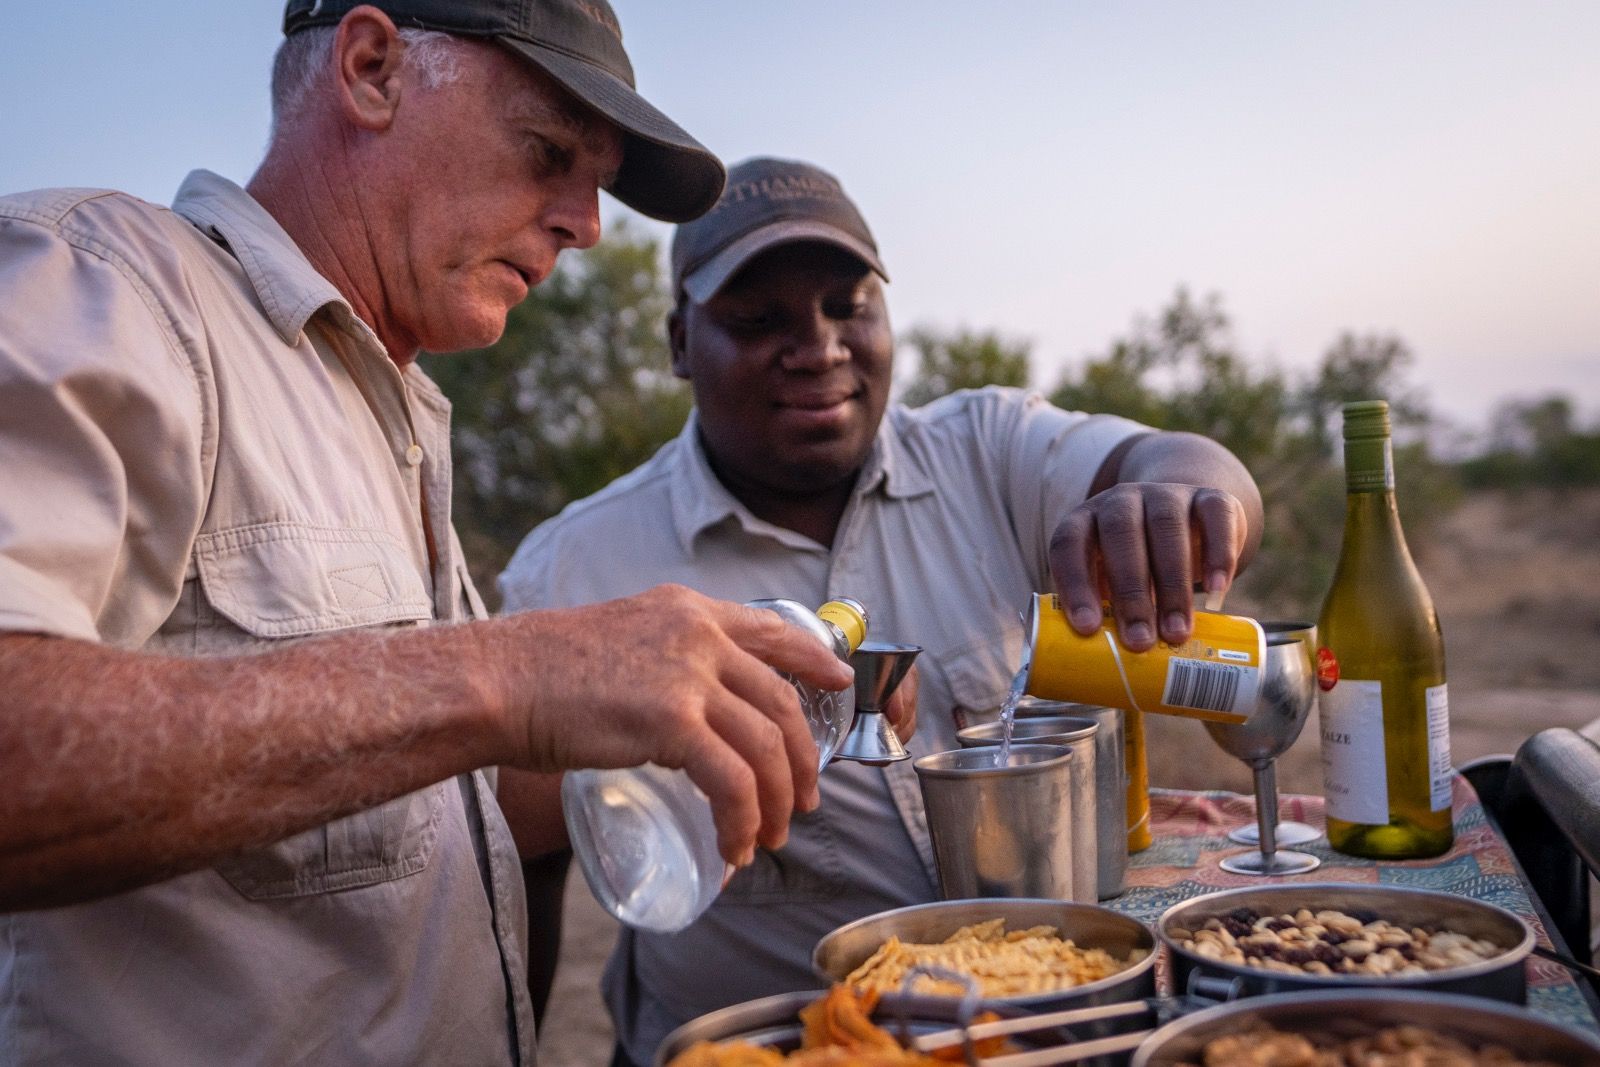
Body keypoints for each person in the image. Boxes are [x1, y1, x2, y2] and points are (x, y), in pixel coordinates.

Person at [0, 7, 855, 1065]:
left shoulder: (389, 406)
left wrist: (679, 718)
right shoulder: (98, 284)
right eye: (546, 151)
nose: (587, 223)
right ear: (371, 69)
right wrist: (518, 674)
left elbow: (400, 799)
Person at [498, 155, 1265, 1065]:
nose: (819, 347)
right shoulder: (581, 563)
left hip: (1039, 1038)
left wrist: (1177, 496)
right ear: (677, 342)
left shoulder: (987, 450)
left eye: (848, 306)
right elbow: (520, 859)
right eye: (756, 319)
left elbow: (1180, 462)